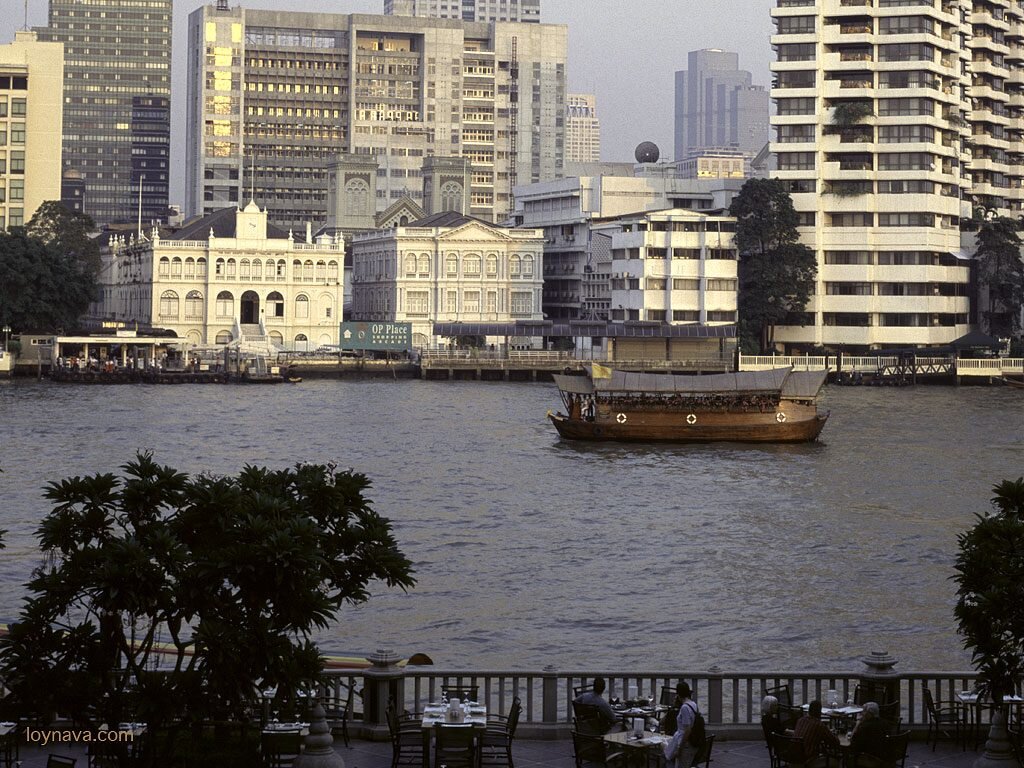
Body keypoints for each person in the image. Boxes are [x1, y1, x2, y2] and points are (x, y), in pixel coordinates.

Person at [793, 700, 841, 768]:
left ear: (809, 710)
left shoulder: (800, 720)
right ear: (819, 713)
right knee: (836, 762)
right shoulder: (819, 725)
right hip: (808, 758)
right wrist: (834, 734)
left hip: (794, 755)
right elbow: (835, 743)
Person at [668, 681, 699, 768]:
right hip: (692, 743)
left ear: (678, 694)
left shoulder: (684, 707)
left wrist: (680, 749)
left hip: (685, 744)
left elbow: (687, 729)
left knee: (668, 755)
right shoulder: (693, 704)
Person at [848, 701, 887, 767]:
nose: (862, 714)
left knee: (847, 755)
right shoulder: (885, 723)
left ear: (869, 713)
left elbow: (852, 740)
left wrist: (858, 723)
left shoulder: (864, 727)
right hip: (882, 755)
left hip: (868, 757)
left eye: (864, 711)